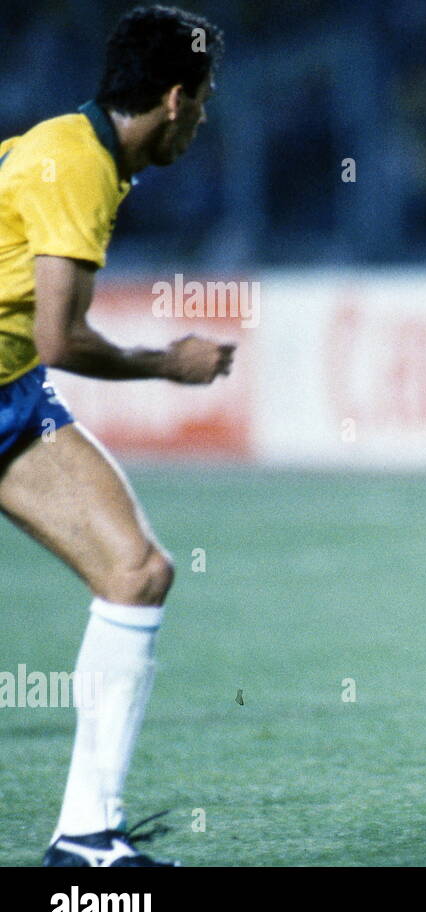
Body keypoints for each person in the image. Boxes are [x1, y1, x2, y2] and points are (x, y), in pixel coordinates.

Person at [0, 5, 234, 866]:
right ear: (176, 98)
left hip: (11, 393)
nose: (204, 121)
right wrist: (168, 366)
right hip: (18, 380)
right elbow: (63, 336)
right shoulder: (76, 165)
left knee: (137, 572)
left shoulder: (83, 152)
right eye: (205, 102)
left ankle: (88, 838)